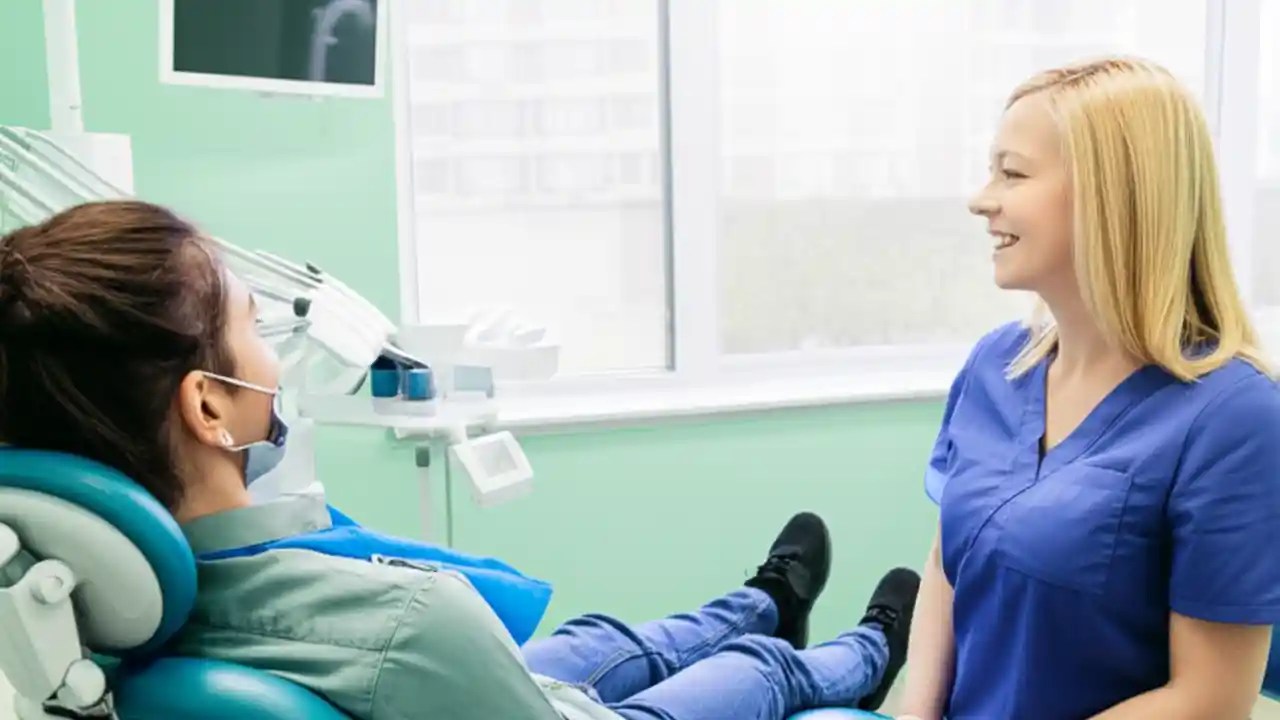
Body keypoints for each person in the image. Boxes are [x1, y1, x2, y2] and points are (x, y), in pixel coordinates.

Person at [0, 200, 921, 720]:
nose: (275, 360)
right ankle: (869, 652)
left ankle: (767, 598)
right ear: (207, 404)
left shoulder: (93, 600)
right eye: (254, 328)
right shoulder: (410, 620)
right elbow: (424, 650)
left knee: (605, 640)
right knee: (759, 673)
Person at [896, 56, 1280, 720]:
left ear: (1113, 196)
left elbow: (1211, 700)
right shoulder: (996, 366)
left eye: (1011, 173)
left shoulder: (1234, 419)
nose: (981, 199)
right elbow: (946, 561)